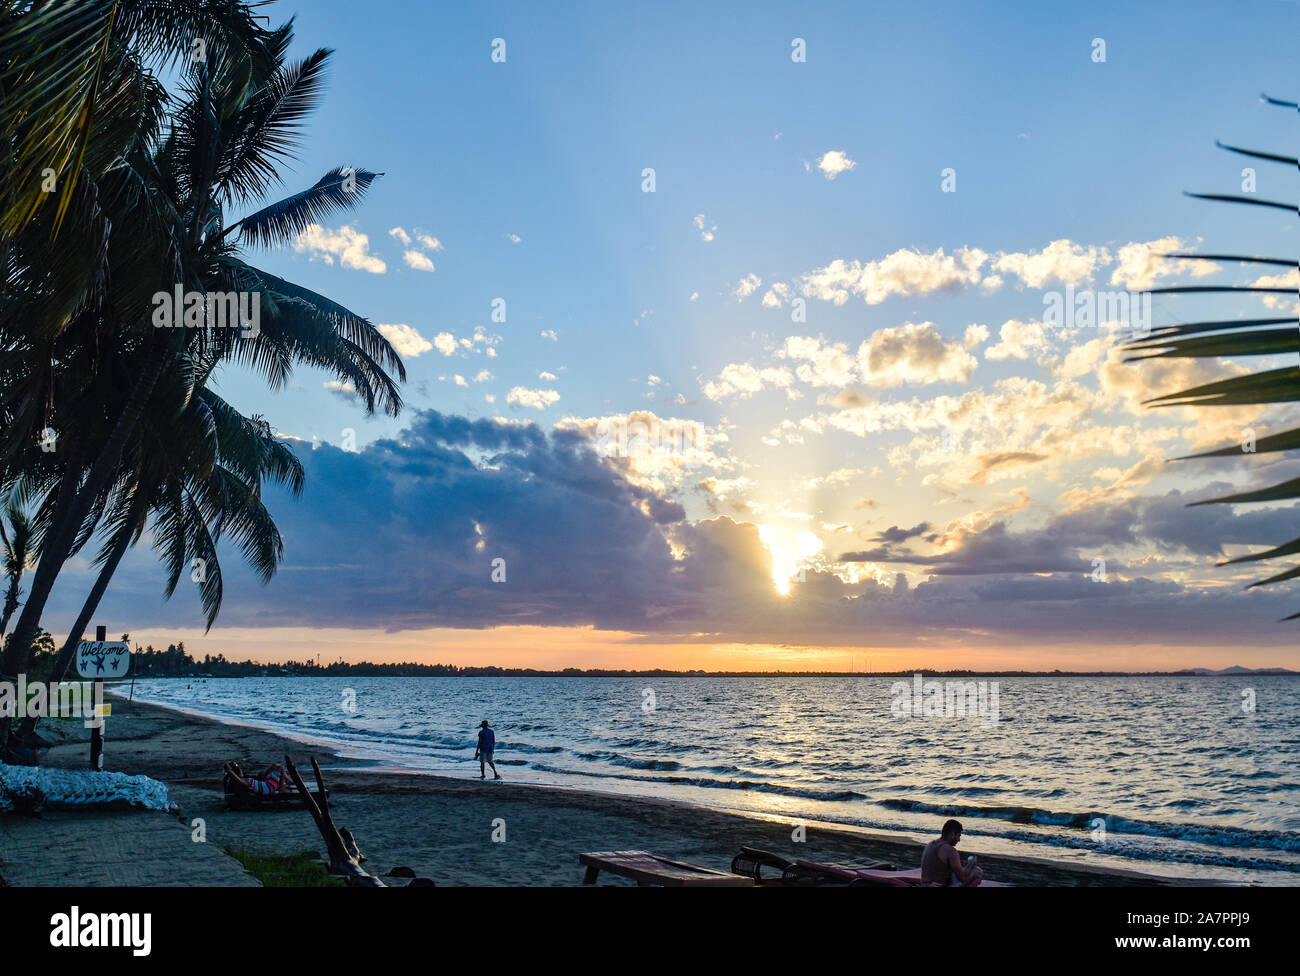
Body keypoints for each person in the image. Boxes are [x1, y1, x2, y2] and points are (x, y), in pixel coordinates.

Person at [920, 819, 984, 887]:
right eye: (959, 836)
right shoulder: (950, 850)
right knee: (977, 872)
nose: (959, 840)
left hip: (925, 884)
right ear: (952, 834)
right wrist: (971, 864)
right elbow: (962, 878)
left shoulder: (930, 844)